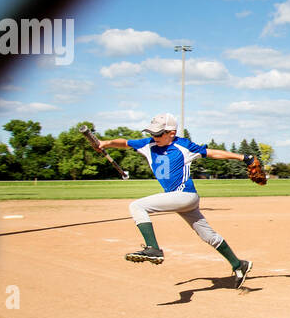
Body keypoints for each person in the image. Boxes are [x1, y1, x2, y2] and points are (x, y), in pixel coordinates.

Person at [93, 113, 255, 289]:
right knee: (208, 236)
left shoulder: (183, 145)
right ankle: (239, 265)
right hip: (179, 199)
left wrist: (243, 158)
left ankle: (153, 248)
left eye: (158, 134)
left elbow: (213, 153)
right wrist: (105, 143)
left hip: (185, 196)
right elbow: (124, 142)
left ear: (171, 132)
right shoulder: (148, 144)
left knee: (137, 206)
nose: (155, 137)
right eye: (153, 133)